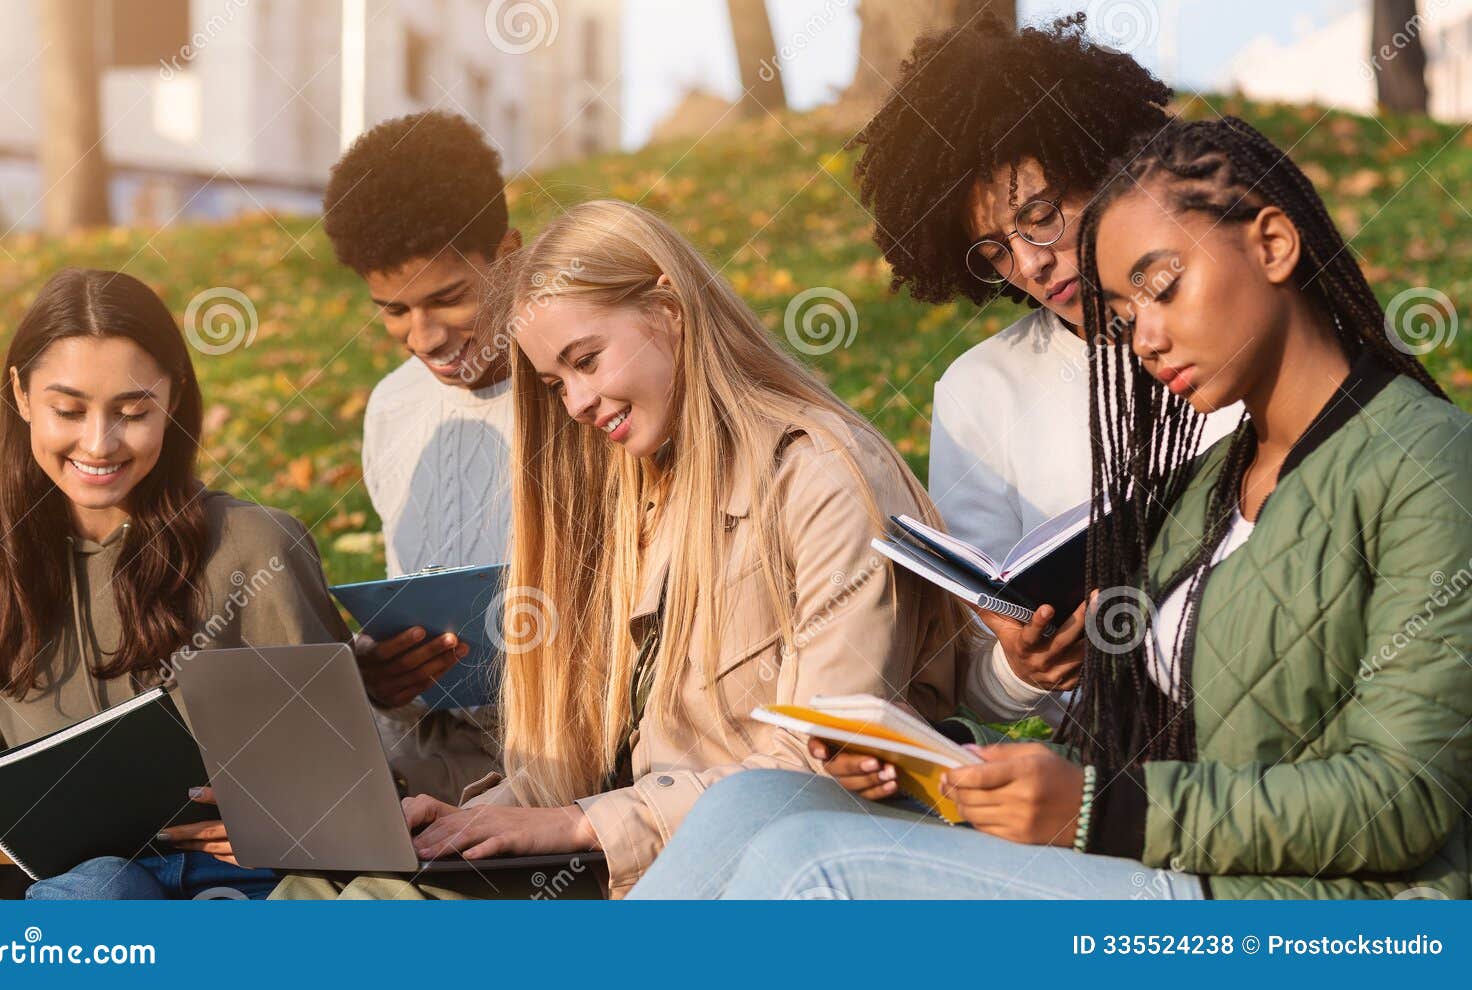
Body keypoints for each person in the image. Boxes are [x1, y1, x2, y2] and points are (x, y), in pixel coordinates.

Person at [629, 117, 1472, 900]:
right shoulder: (1213, 483)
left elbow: (1406, 797)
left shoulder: (1424, 463)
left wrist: (1097, 808)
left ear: (1275, 244)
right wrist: (956, 769)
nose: (1141, 337)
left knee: (805, 866)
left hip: (1314, 913)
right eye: (1127, 310)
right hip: (1166, 859)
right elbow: (1158, 746)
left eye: (1162, 287)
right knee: (757, 807)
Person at [271, 200, 973, 900]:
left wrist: (578, 827)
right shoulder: (627, 487)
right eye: (555, 382)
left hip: (729, 865)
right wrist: (483, 818)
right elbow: (592, 742)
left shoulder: (818, 474)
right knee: (311, 889)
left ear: (669, 309)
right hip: (618, 855)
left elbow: (816, 767)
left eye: (586, 361)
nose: (574, 402)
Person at [0, 268, 358, 899]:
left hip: (258, 882)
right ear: (20, 395)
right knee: (100, 893)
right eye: (68, 410)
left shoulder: (257, 548)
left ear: (173, 398)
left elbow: (346, 781)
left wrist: (288, 824)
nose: (99, 444)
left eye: (132, 411)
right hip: (89, 897)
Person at [852, 14, 1237, 725]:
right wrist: (1023, 668)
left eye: (1040, 214)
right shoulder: (978, 391)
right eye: (995, 251)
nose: (1030, 263)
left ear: (1103, 165)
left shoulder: (1228, 310)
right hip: (1112, 760)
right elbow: (977, 674)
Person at [319, 110, 523, 800]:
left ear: (511, 255)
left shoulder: (584, 392)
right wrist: (382, 672)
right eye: (393, 310)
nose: (423, 337)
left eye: (449, 298)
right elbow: (407, 592)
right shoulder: (393, 406)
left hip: (567, 747)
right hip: (433, 744)